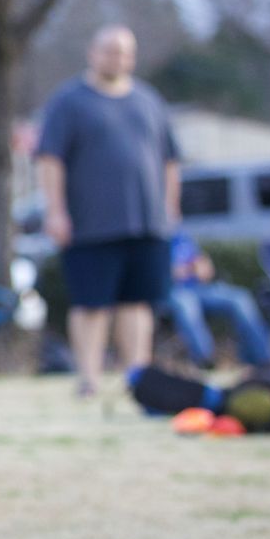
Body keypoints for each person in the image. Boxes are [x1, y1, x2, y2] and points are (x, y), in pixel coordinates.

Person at [34, 25, 181, 399]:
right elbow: (50, 159)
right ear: (93, 53)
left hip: (145, 223)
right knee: (91, 305)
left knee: (137, 304)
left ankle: (138, 380)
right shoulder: (69, 102)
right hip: (90, 225)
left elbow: (169, 160)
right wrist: (56, 211)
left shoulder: (149, 100)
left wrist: (170, 208)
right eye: (111, 51)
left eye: (125, 52)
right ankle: (89, 379)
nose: (118, 58)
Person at [164, 231, 270, 368]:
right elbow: (161, 274)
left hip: (200, 289)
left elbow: (205, 270)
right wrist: (184, 270)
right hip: (172, 293)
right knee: (186, 304)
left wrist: (200, 269)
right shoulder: (155, 242)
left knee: (240, 298)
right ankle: (205, 360)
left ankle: (262, 359)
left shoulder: (183, 238)